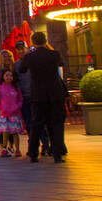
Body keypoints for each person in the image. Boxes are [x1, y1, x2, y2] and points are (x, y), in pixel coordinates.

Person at [18, 31, 68, 162]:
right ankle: (57, 154)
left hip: (38, 95)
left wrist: (28, 56)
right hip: (55, 94)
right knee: (56, 125)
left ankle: (33, 154)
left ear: (33, 42)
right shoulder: (54, 54)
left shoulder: (30, 57)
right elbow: (61, 63)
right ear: (45, 40)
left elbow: (22, 69)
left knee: (36, 125)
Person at [12, 39, 48, 158]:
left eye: (22, 48)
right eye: (18, 49)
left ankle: (45, 144)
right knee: (28, 123)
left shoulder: (34, 61)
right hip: (25, 97)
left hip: (36, 96)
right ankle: (34, 145)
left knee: (39, 121)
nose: (21, 51)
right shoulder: (16, 65)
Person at [0, 68, 25, 156]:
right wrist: (1, 108)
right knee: (5, 132)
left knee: (15, 133)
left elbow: (20, 100)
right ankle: (4, 148)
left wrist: (17, 107)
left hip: (15, 114)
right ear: (3, 77)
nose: (9, 77)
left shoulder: (16, 88)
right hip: (4, 114)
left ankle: (17, 149)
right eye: (6, 75)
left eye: (11, 75)